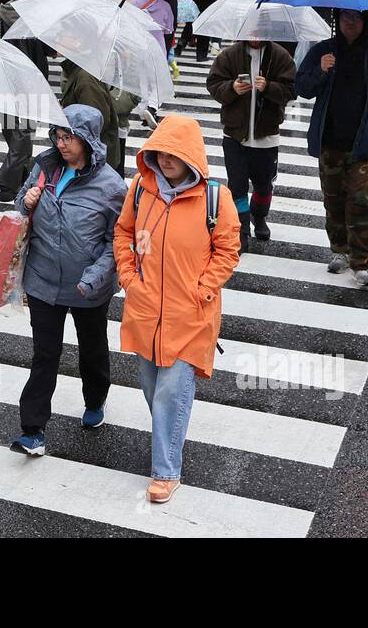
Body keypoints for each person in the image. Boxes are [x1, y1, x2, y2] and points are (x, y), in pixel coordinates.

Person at [113, 115, 240, 503]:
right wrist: (129, 277)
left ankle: (166, 472)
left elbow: (228, 250)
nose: (165, 160)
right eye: (160, 152)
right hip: (146, 309)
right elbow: (123, 232)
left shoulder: (216, 198)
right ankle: (168, 438)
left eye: (173, 154)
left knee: (171, 391)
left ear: (190, 156)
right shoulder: (141, 188)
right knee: (151, 385)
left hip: (190, 315)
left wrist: (203, 290)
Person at [9, 104, 127, 457]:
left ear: (89, 141)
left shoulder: (111, 186)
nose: (61, 144)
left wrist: (95, 278)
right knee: (45, 354)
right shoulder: (44, 167)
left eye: (69, 138)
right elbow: (20, 209)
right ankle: (33, 430)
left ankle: (95, 399)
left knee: (91, 350)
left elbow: (117, 241)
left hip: (87, 287)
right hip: (43, 280)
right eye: (58, 136)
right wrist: (26, 200)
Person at [295, 9, 368, 287]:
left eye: (356, 17)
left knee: (361, 203)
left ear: (365, 20)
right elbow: (302, 87)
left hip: (366, 146)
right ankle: (340, 250)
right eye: (344, 17)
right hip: (329, 141)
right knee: (333, 200)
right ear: (337, 20)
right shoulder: (324, 50)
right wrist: (320, 70)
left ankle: (362, 262)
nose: (350, 22)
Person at [207, 36, 297, 242]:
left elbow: (292, 90)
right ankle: (242, 229)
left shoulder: (280, 56)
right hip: (235, 135)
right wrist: (232, 88)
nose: (255, 37)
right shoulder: (229, 55)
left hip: (266, 136)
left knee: (264, 185)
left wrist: (269, 87)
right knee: (237, 186)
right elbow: (213, 84)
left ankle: (260, 216)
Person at [0, 0, 50, 202]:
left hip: (5, 74)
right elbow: (47, 49)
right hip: (31, 76)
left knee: (10, 125)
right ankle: (8, 180)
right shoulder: (34, 16)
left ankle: (21, 173)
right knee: (23, 129)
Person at [60, 58, 123, 175]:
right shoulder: (77, 71)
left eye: (64, 38)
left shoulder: (86, 78)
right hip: (84, 156)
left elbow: (95, 123)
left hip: (92, 160)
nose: (58, 40)